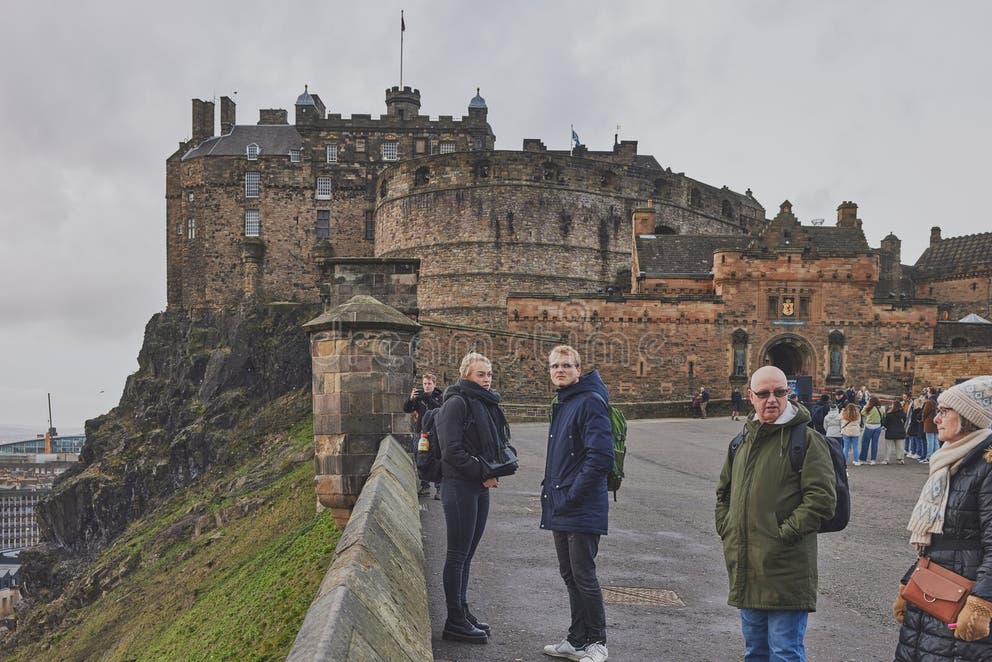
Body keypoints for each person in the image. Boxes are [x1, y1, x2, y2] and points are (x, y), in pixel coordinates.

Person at [715, 366, 837, 662]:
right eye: (764, 393)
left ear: (789, 394)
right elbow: (723, 494)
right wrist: (727, 527)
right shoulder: (741, 442)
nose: (772, 399)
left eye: (780, 392)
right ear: (750, 397)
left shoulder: (807, 440)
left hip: (786, 567)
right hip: (747, 563)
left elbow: (822, 499)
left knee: (784, 652)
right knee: (754, 651)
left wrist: (783, 534)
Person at [893, 376, 992, 661]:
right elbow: (938, 538)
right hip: (931, 594)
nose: (936, 419)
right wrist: (909, 579)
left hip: (962, 598)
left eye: (944, 412)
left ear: (967, 418)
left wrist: (982, 603)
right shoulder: (949, 463)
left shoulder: (985, 467)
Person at [541, 345, 613, 662]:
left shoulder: (590, 403)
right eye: (555, 366)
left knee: (584, 575)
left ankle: (597, 643)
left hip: (580, 505)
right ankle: (577, 639)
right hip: (562, 504)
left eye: (566, 365)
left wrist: (572, 496)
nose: (560, 370)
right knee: (570, 574)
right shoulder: (565, 402)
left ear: (578, 369)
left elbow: (601, 458)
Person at [436, 352, 512, 644]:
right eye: (481, 374)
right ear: (465, 374)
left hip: (478, 486)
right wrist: (483, 473)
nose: (487, 379)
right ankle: (454, 620)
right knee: (457, 555)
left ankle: (462, 611)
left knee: (467, 554)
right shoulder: (456, 403)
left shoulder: (483, 402)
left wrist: (493, 470)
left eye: (489, 373)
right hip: (459, 487)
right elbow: (451, 451)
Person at [404, 372, 444, 497]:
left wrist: (429, 399)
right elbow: (407, 409)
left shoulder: (440, 396)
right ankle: (425, 486)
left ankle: (439, 488)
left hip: (436, 433)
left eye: (429, 384)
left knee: (437, 459)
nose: (426, 386)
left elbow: (441, 410)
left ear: (434, 384)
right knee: (420, 459)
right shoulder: (419, 397)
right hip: (421, 432)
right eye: (425, 384)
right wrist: (411, 399)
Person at [859, 396, 885, 465]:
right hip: (878, 427)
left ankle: (863, 459)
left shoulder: (869, 408)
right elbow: (883, 416)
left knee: (865, 443)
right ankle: (873, 460)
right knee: (875, 444)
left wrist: (866, 405)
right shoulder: (881, 408)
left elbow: (862, 412)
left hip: (869, 426)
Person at [881, 400, 907, 465]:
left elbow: (885, 423)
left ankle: (886, 459)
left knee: (888, 447)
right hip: (900, 432)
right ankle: (900, 459)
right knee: (900, 447)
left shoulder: (889, 414)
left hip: (890, 432)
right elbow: (905, 421)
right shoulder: (903, 414)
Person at [921, 389, 939, 462]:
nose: (927, 393)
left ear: (930, 393)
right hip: (936, 422)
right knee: (936, 441)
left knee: (930, 441)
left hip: (929, 423)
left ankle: (929, 457)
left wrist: (923, 420)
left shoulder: (929, 402)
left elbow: (925, 413)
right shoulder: (938, 401)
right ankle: (937, 456)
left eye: (928, 392)